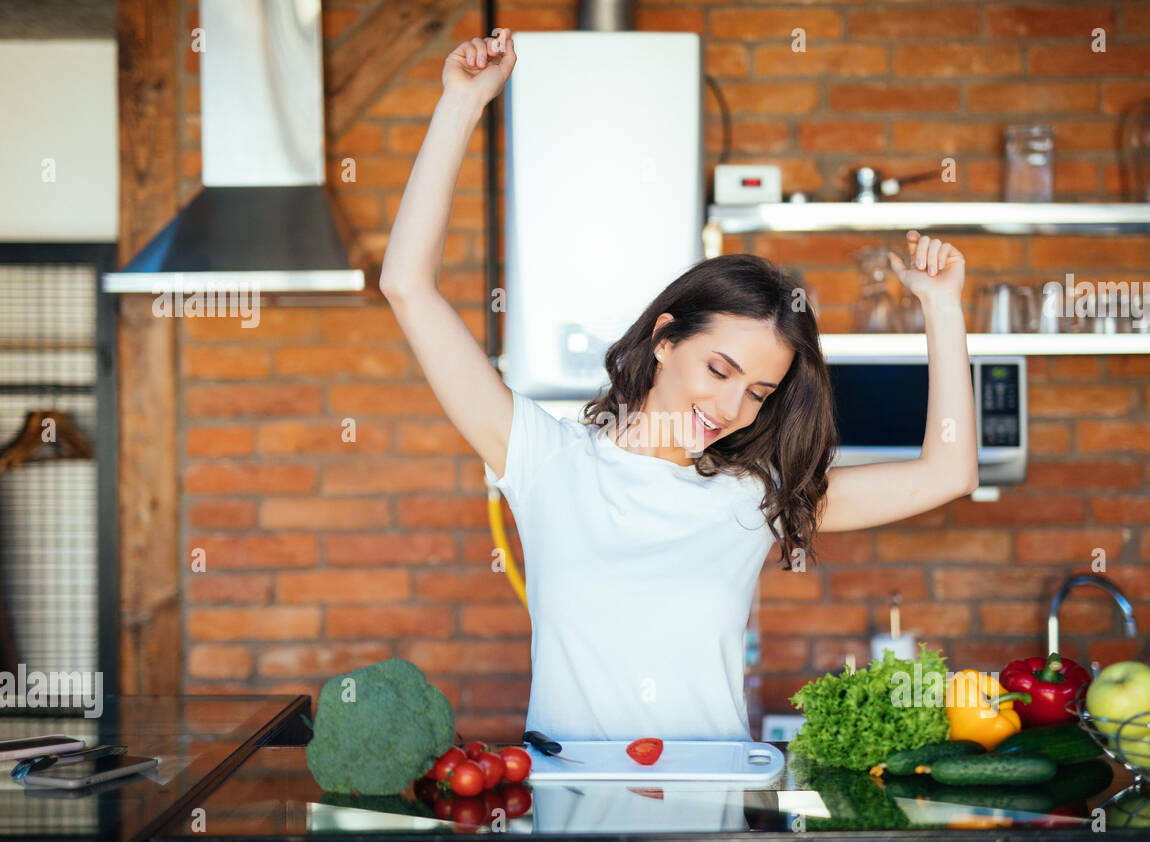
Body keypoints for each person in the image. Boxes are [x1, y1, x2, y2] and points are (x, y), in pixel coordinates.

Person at [379, 30, 979, 741]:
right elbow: (406, 286)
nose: (730, 407)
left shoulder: (753, 496)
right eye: (720, 369)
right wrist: (462, 101)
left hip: (707, 827)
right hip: (570, 832)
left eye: (758, 392)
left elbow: (949, 471)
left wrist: (941, 308)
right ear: (665, 339)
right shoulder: (547, 460)